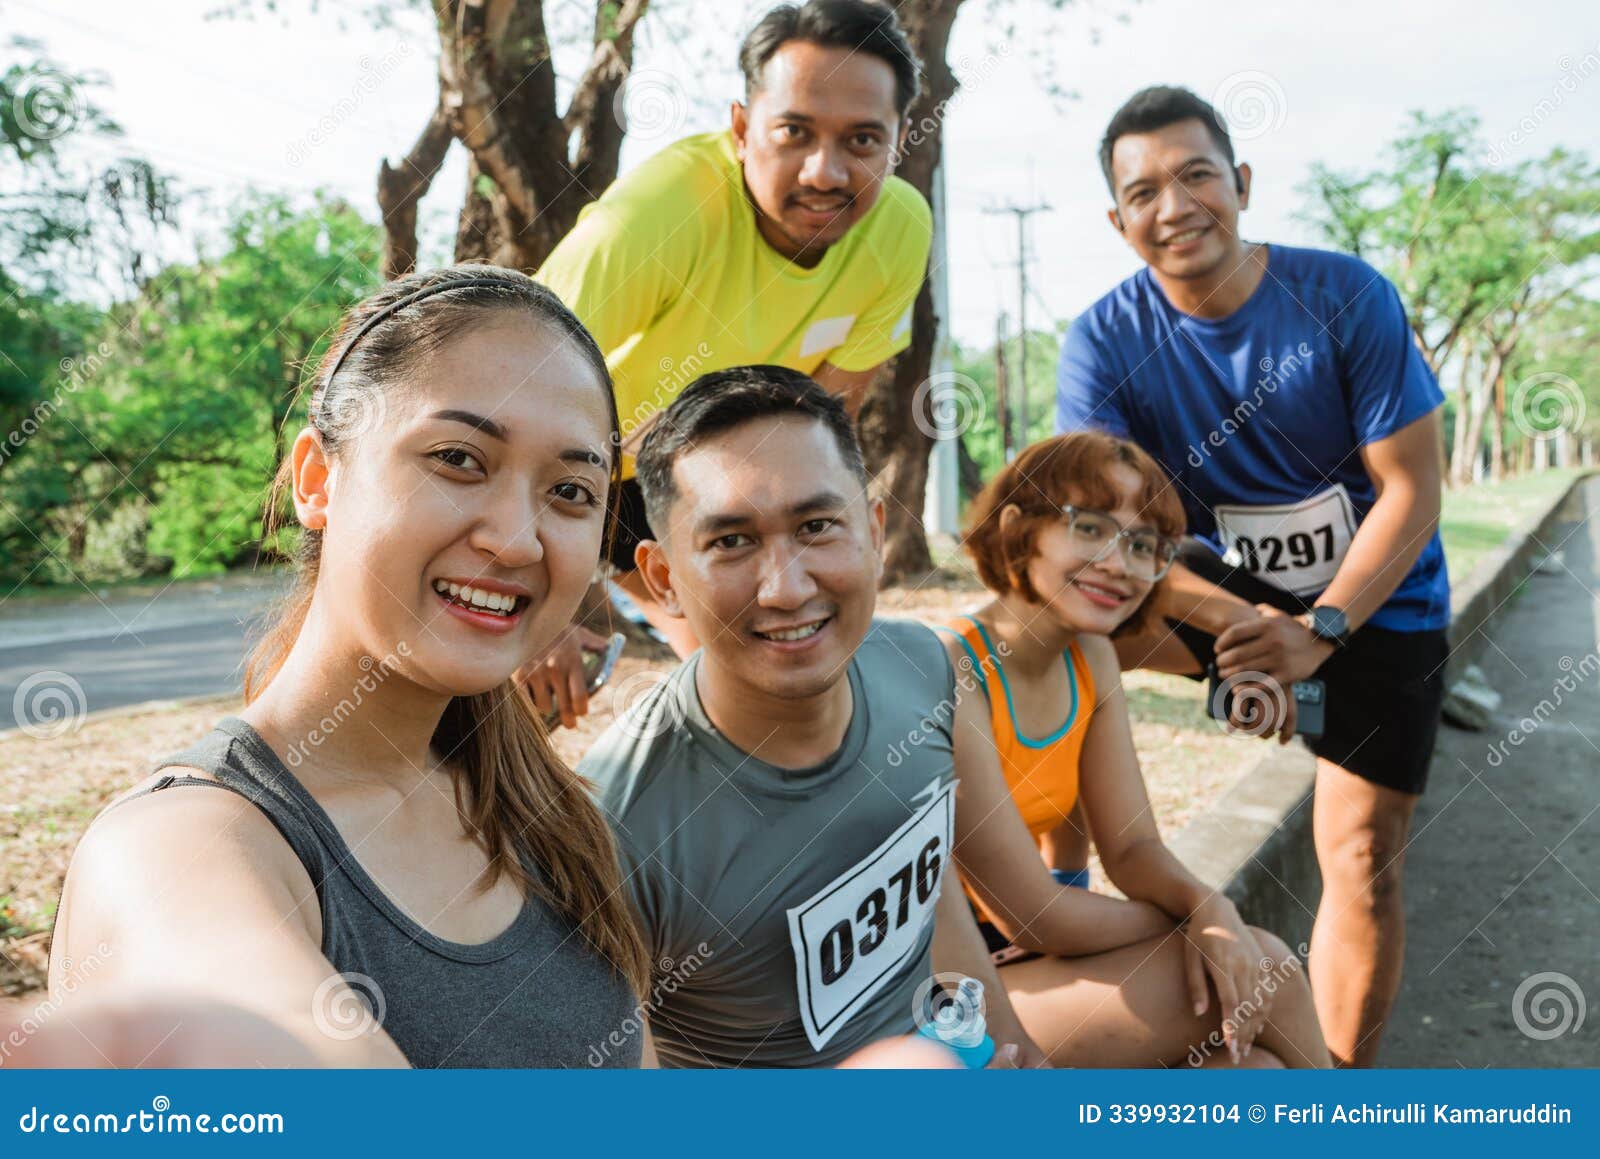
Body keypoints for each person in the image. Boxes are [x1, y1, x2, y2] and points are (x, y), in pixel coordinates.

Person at [46, 267, 649, 1068]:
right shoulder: (175, 848)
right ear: (318, 479)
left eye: (571, 490)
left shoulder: (549, 818)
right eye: (459, 459)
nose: (516, 538)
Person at [1056, 85, 1450, 1066]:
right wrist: (1251, 635)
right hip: (1224, 598)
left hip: (1375, 602)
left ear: (1239, 182)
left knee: (1360, 861)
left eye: (1195, 176)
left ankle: (1338, 1092)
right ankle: (1052, 899)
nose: (1174, 206)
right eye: (1142, 191)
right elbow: (1100, 539)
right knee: (1049, 615)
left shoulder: (1344, 296)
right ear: (1117, 221)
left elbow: (1410, 492)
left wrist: (1316, 633)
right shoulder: (1104, 339)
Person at [578, 366, 1039, 1068]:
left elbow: (935, 900)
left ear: (875, 533)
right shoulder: (612, 820)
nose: (786, 588)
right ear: (664, 578)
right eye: (732, 541)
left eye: (818, 525)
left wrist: (1017, 1059)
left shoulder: (925, 668)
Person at [526, 0, 932, 722]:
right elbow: (515, 386)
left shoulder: (900, 229)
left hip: (713, 485)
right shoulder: (653, 218)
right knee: (525, 689)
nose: (826, 171)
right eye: (795, 132)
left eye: (863, 139)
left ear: (899, 141)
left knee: (769, 686)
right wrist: (553, 590)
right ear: (742, 129)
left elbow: (826, 420)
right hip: (567, 466)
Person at [937, 432, 1330, 1068]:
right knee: (1270, 969)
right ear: (1017, 530)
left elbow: (1131, 847)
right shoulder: (954, 673)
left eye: (1143, 544)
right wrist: (1202, 920)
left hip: (1038, 966)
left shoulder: (1091, 659)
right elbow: (1031, 916)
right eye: (1090, 529)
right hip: (944, 995)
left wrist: (1208, 908)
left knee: (1252, 1071)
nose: (1121, 563)